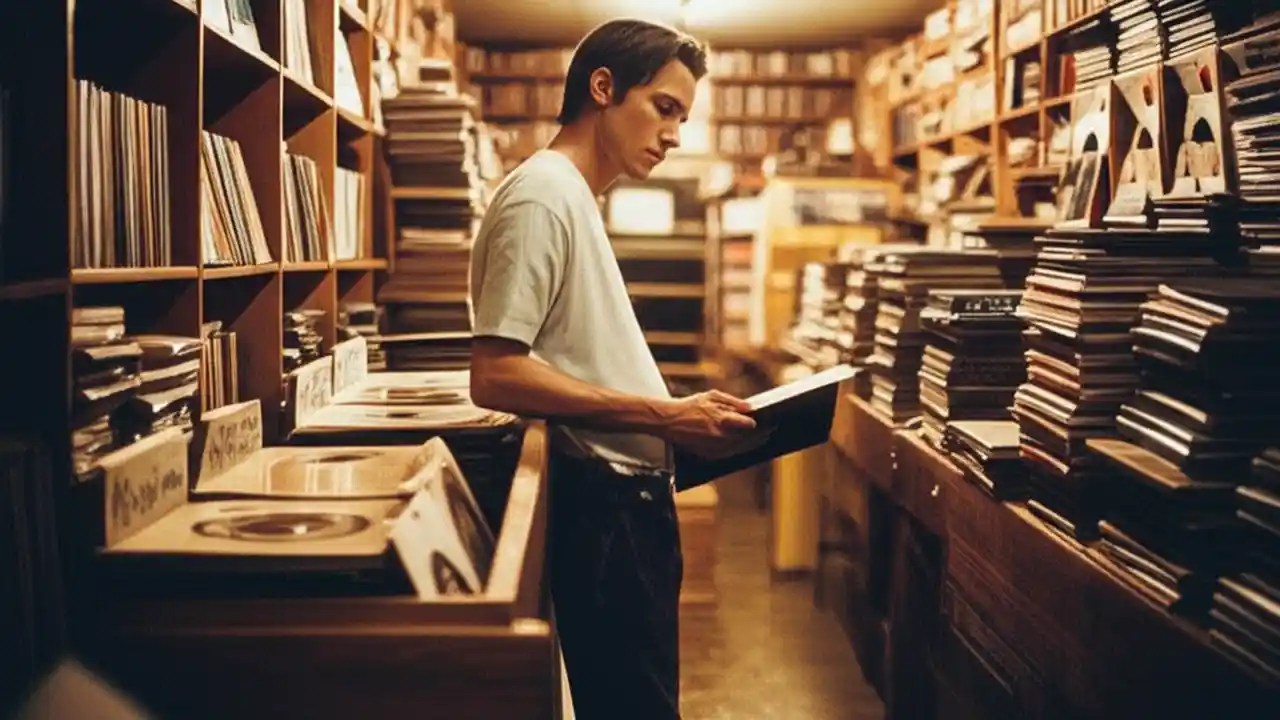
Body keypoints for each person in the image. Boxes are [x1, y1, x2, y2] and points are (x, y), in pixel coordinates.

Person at [468, 18, 761, 720]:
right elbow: (496, 374)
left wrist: (682, 414)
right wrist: (668, 415)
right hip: (605, 514)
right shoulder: (543, 196)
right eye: (664, 108)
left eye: (684, 118)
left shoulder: (572, 197)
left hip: (625, 508)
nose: (674, 134)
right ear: (603, 87)